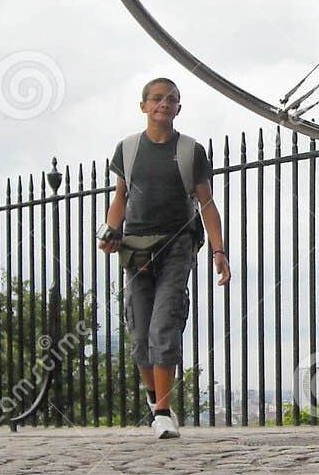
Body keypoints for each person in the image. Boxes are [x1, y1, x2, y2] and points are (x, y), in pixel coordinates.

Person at [98, 77, 230, 439]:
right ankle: (154, 397)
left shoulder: (190, 151)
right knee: (139, 330)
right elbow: (121, 198)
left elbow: (206, 202)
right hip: (135, 246)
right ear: (143, 106)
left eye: (171, 99)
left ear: (178, 108)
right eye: (156, 99)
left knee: (164, 324)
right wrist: (110, 231)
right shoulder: (127, 149)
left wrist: (218, 251)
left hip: (177, 244)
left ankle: (162, 412)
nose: (163, 104)